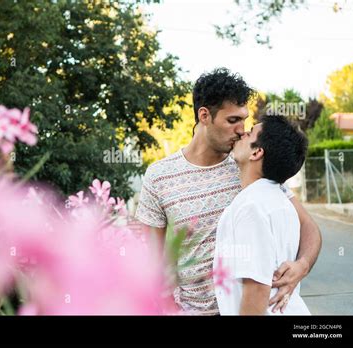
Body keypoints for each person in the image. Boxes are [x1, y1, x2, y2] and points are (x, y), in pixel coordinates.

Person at [135, 68, 321, 315]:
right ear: (204, 115)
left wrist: (303, 265)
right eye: (233, 120)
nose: (242, 130)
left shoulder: (252, 168)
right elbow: (150, 259)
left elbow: (309, 227)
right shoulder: (159, 176)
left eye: (244, 120)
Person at [214, 115, 311, 315]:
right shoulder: (282, 201)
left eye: (249, 133)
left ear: (257, 152)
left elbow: (257, 288)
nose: (242, 133)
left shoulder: (251, 206)